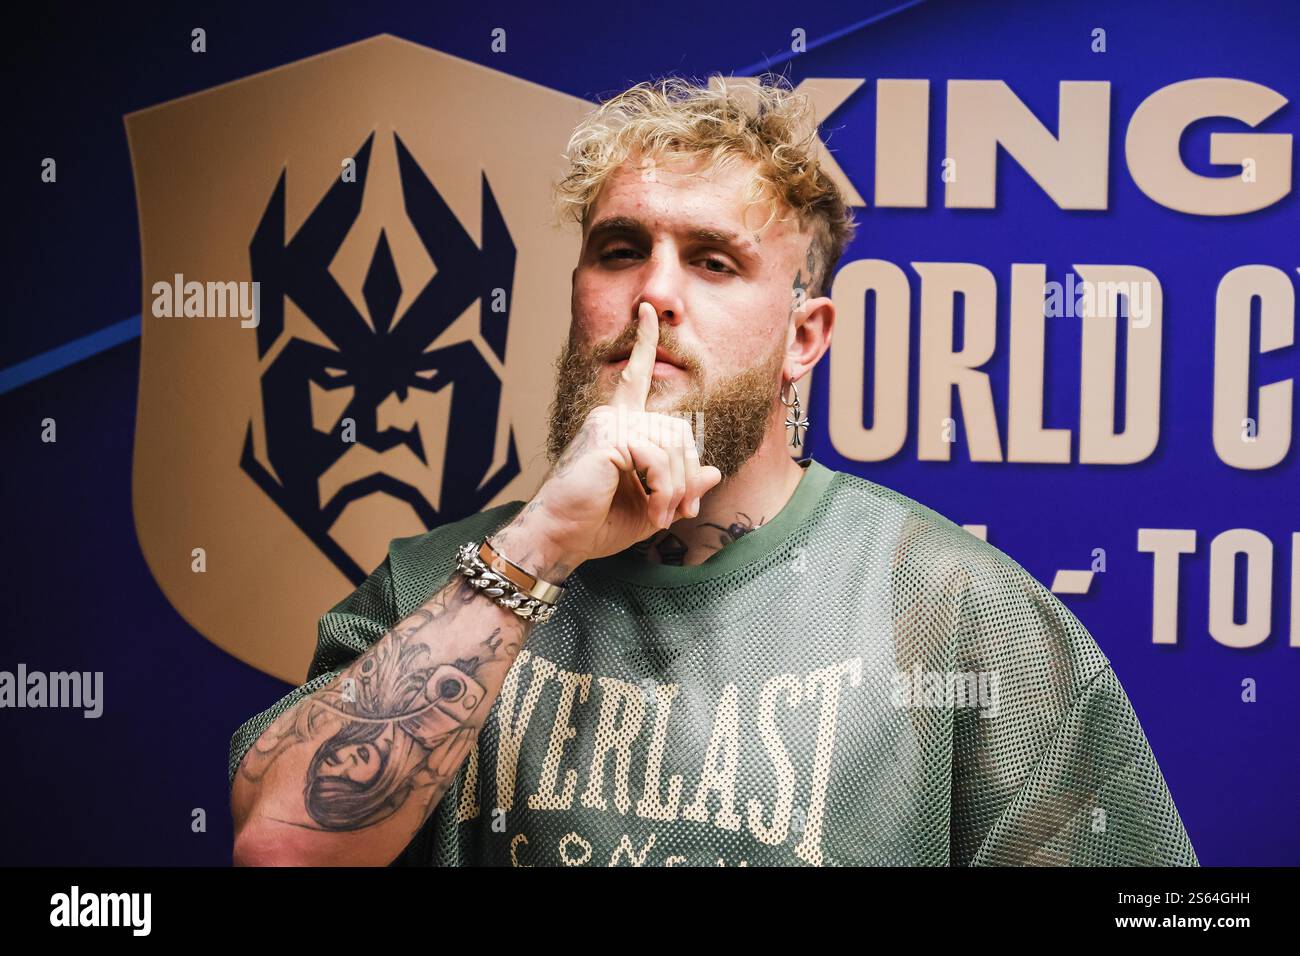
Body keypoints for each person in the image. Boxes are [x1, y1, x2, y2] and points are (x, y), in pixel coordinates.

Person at [228, 74, 1198, 867]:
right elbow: (284, 845)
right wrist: (536, 550)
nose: (653, 291)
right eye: (619, 250)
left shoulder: (954, 611)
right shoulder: (437, 582)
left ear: (803, 336)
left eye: (713, 261)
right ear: (578, 296)